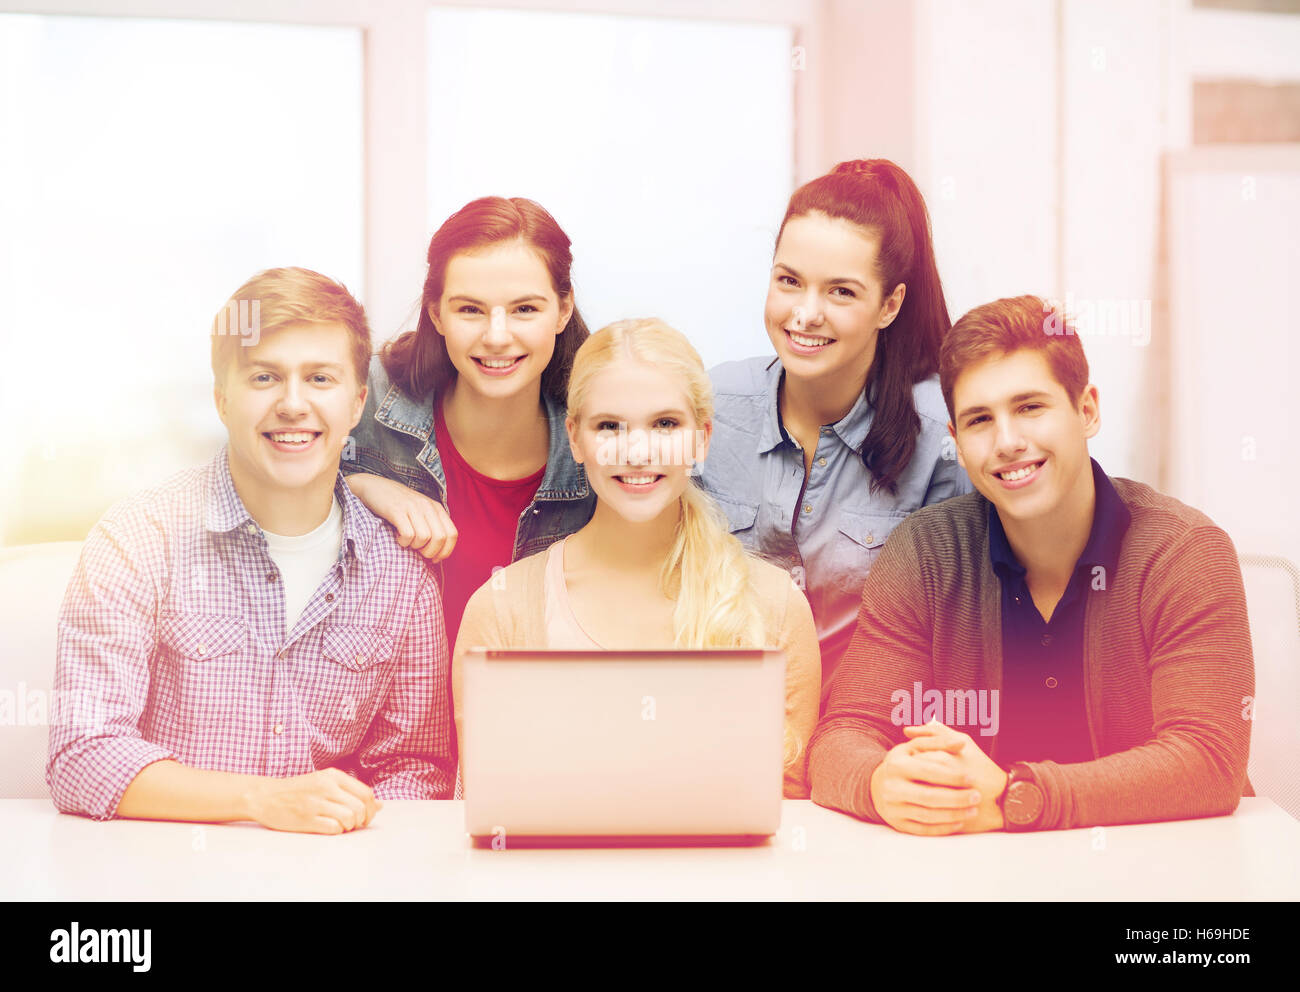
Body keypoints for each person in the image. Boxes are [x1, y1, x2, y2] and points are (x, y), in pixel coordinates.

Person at [808, 295, 1254, 833]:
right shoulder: (922, 555)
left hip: (1159, 874)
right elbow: (842, 737)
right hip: (980, 876)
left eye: (1030, 407)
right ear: (956, 441)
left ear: (1086, 410)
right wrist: (879, 782)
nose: (1008, 442)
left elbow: (1208, 762)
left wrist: (1015, 798)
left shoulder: (1183, 554)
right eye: (979, 420)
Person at [47, 267, 455, 833]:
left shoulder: (404, 577)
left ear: (358, 403)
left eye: (320, 379)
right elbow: (83, 756)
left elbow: (416, 773)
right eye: (264, 378)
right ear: (221, 398)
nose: (292, 404)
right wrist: (263, 802)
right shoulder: (138, 538)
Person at [454, 319, 821, 797]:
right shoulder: (501, 608)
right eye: (609, 426)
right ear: (576, 439)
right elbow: (487, 808)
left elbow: (786, 809)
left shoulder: (775, 607)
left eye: (665, 424)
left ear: (702, 437)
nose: (638, 450)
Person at [699, 159, 971, 706]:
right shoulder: (711, 406)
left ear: (889, 304)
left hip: (870, 738)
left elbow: (958, 636)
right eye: (789, 281)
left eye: (841, 293)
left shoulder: (943, 432)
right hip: (720, 730)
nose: (805, 314)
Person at [341, 196, 595, 654]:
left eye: (524, 310)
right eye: (470, 310)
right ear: (436, 312)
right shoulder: (366, 396)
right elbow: (257, 498)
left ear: (562, 309)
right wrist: (360, 487)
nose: (497, 336)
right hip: (390, 721)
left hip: (534, 717)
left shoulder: (602, 432)